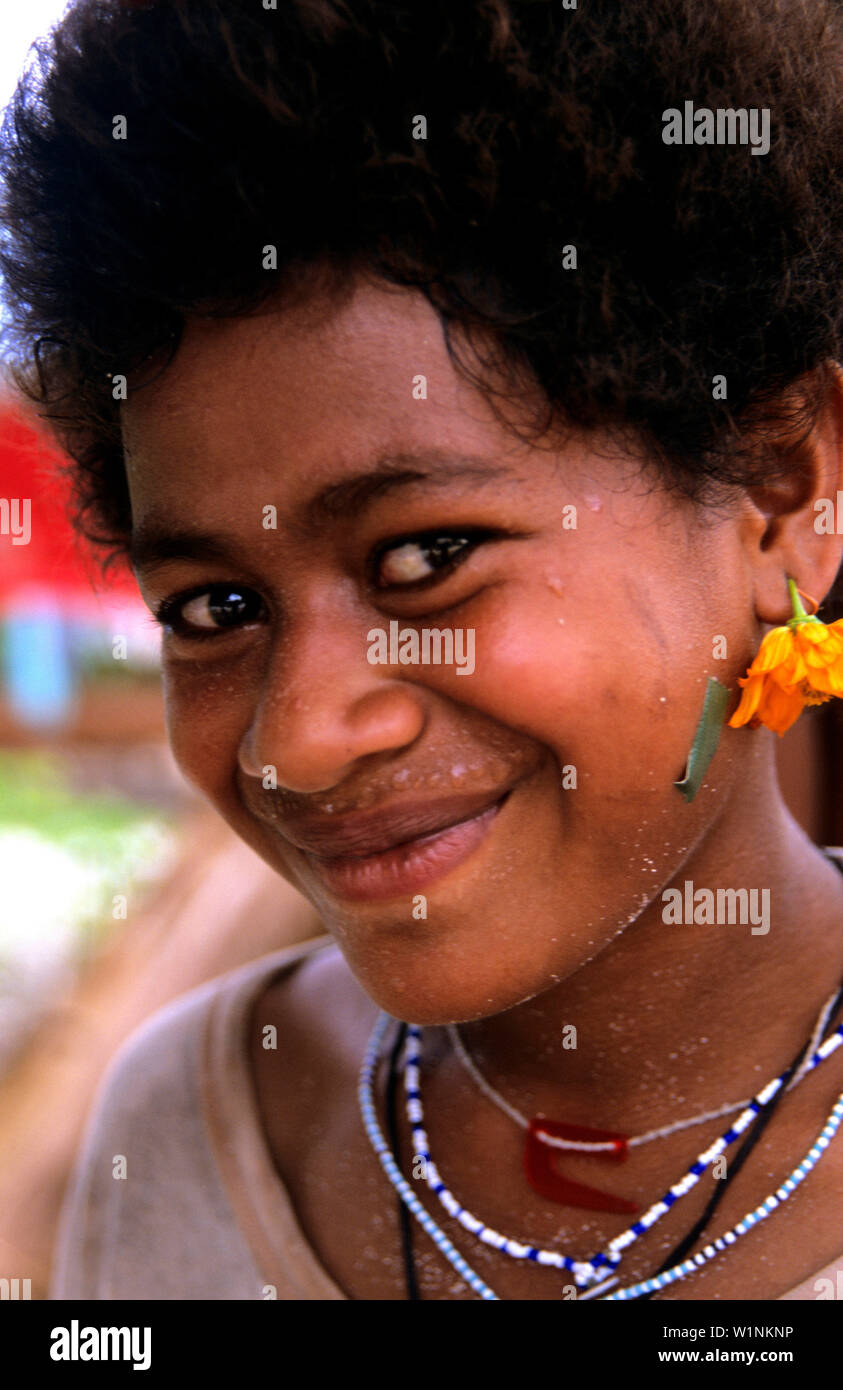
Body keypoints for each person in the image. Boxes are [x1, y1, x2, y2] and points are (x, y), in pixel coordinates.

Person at [1, 0, 842, 1301]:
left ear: (783, 494)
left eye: (426, 556)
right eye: (216, 608)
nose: (303, 736)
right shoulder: (183, 1132)